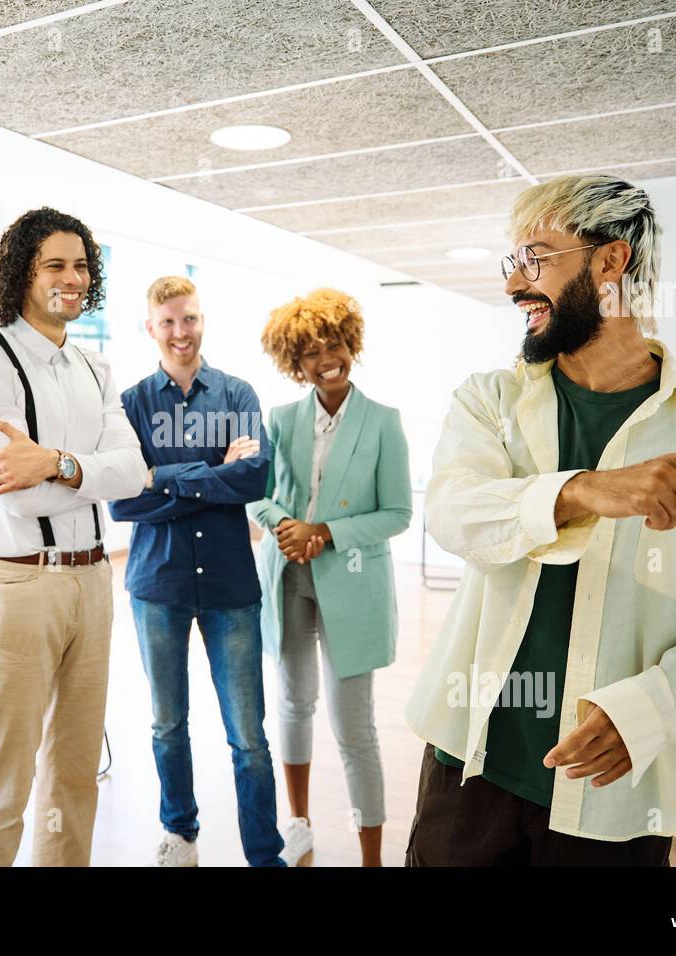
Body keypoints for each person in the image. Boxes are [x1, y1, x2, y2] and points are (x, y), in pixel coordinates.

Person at [404, 174, 676, 866]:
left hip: (615, 787)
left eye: (535, 257)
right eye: (511, 263)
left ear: (610, 262)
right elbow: (454, 515)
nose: (515, 284)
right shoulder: (490, 400)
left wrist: (648, 709)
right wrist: (582, 492)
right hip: (466, 765)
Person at [0, 206, 145, 866]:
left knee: (75, 774)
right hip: (19, 584)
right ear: (20, 274)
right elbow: (17, 486)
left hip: (93, 581)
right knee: (4, 783)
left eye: (82, 265)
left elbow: (133, 472)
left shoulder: (96, 368)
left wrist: (57, 461)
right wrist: (81, 469)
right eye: (54, 264)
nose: (72, 277)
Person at [109, 275, 284, 867]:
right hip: (157, 585)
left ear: (202, 319)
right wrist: (213, 476)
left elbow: (256, 479)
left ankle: (264, 852)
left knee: (250, 738)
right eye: (168, 322)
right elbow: (122, 499)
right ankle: (180, 834)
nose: (181, 333)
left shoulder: (237, 395)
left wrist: (165, 475)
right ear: (150, 328)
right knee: (166, 724)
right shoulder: (131, 403)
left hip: (232, 585)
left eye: (190, 319)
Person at [247, 288, 412, 867]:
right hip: (288, 578)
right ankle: (299, 824)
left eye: (335, 344)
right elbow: (259, 498)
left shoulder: (383, 422)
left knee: (355, 725)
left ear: (352, 345)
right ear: (297, 362)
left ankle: (371, 854)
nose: (327, 359)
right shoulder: (282, 419)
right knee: (293, 704)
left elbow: (398, 513)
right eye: (312, 352)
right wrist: (286, 523)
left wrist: (327, 531)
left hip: (353, 586)